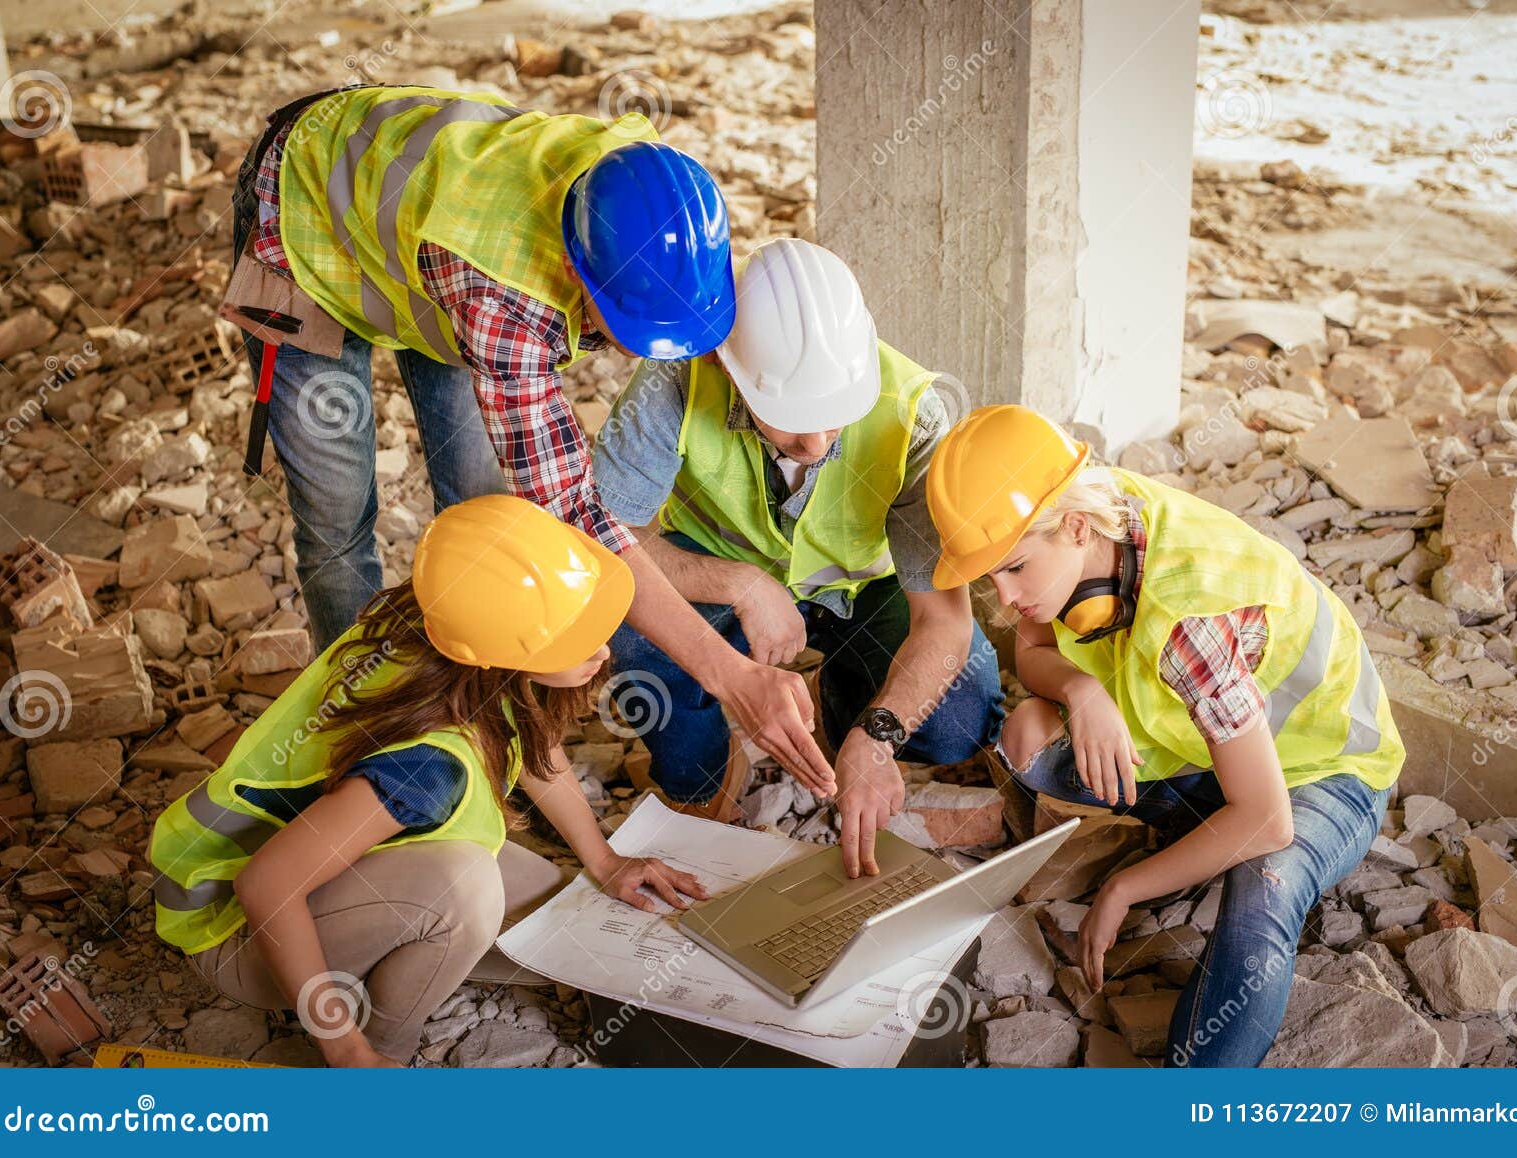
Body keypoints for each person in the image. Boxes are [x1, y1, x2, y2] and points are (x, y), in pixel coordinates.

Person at [231, 83, 834, 801]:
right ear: (581, 279)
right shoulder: (504, 305)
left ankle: (484, 720)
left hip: (425, 236)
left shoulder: (658, 198)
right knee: (336, 516)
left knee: (490, 512)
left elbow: (539, 518)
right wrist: (730, 673)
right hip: (307, 215)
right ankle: (368, 749)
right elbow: (577, 515)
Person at [148, 495, 707, 1066]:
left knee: (564, 929)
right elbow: (266, 887)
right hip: (232, 935)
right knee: (467, 891)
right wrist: (346, 1048)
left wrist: (607, 863)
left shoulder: (447, 627)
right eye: (570, 636)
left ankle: (400, 965)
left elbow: (531, 747)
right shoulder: (426, 767)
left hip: (323, 863)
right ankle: (384, 1053)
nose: (602, 649)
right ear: (497, 650)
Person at [925, 404, 1404, 1067]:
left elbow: (1267, 821)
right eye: (991, 577)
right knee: (1030, 735)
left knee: (1263, 880)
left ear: (1072, 526)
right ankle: (1200, 836)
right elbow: (1032, 654)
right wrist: (1082, 690)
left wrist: (1126, 888)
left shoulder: (1191, 624)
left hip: (1323, 772)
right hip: (1211, 752)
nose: (1003, 601)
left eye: (1014, 569)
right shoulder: (1091, 519)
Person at [592, 239, 1003, 876]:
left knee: (956, 720)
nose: (814, 441)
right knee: (631, 630)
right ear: (732, 371)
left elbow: (944, 623)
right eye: (788, 419)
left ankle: (843, 715)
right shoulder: (680, 371)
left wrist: (880, 735)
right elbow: (601, 536)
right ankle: (701, 776)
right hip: (723, 563)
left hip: (866, 584)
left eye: (834, 417)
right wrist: (739, 583)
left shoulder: (916, 411)